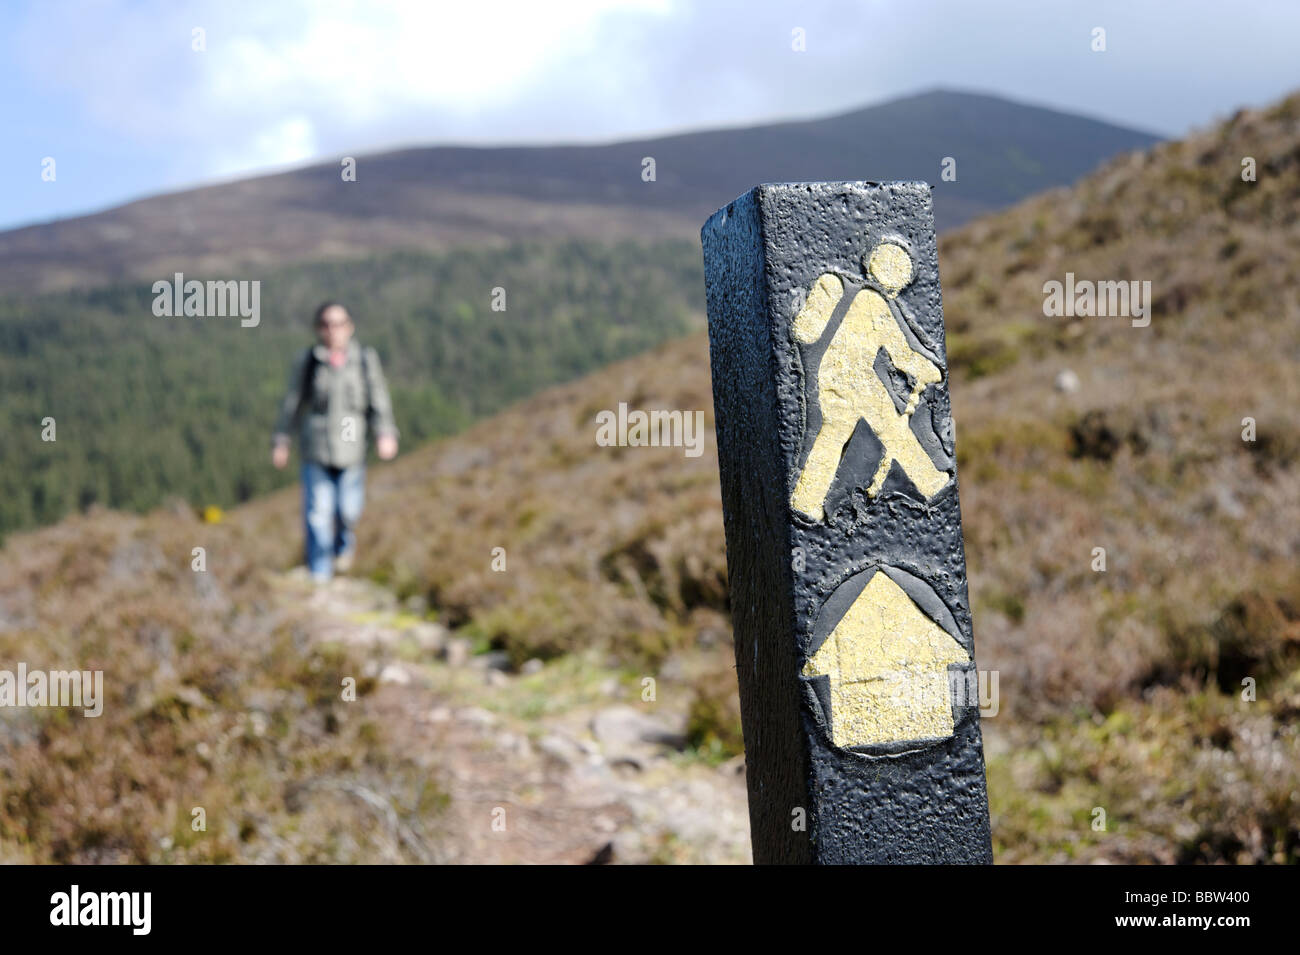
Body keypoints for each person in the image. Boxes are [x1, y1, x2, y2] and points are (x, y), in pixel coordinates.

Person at [272, 302, 399, 584]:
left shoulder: (364, 359)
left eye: (339, 323)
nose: (333, 330)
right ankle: (320, 572)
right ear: (319, 329)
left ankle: (343, 550)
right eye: (327, 324)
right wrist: (281, 439)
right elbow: (292, 403)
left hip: (352, 447)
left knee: (348, 510)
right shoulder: (309, 361)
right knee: (318, 511)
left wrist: (386, 432)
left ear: (350, 327)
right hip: (316, 447)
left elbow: (378, 398)